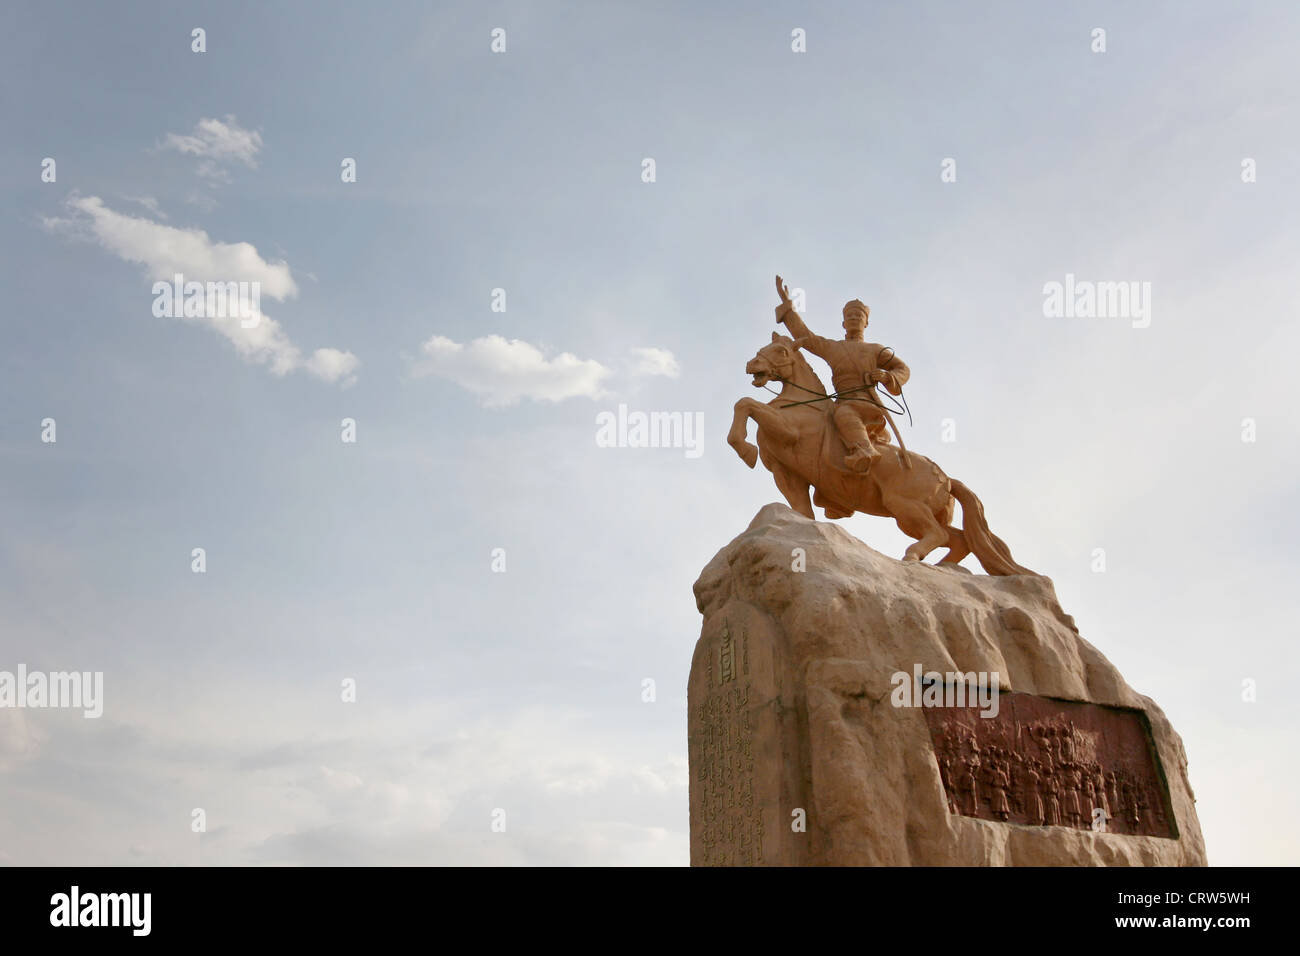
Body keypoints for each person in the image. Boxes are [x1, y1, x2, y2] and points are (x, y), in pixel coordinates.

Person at [774, 277, 910, 473]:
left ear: (866, 322)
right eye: (850, 315)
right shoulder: (834, 348)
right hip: (841, 403)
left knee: (843, 414)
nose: (854, 318)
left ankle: (865, 450)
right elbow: (806, 336)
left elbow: (902, 368)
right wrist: (788, 307)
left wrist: (888, 377)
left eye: (858, 315)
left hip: (865, 405)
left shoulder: (875, 350)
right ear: (843, 322)